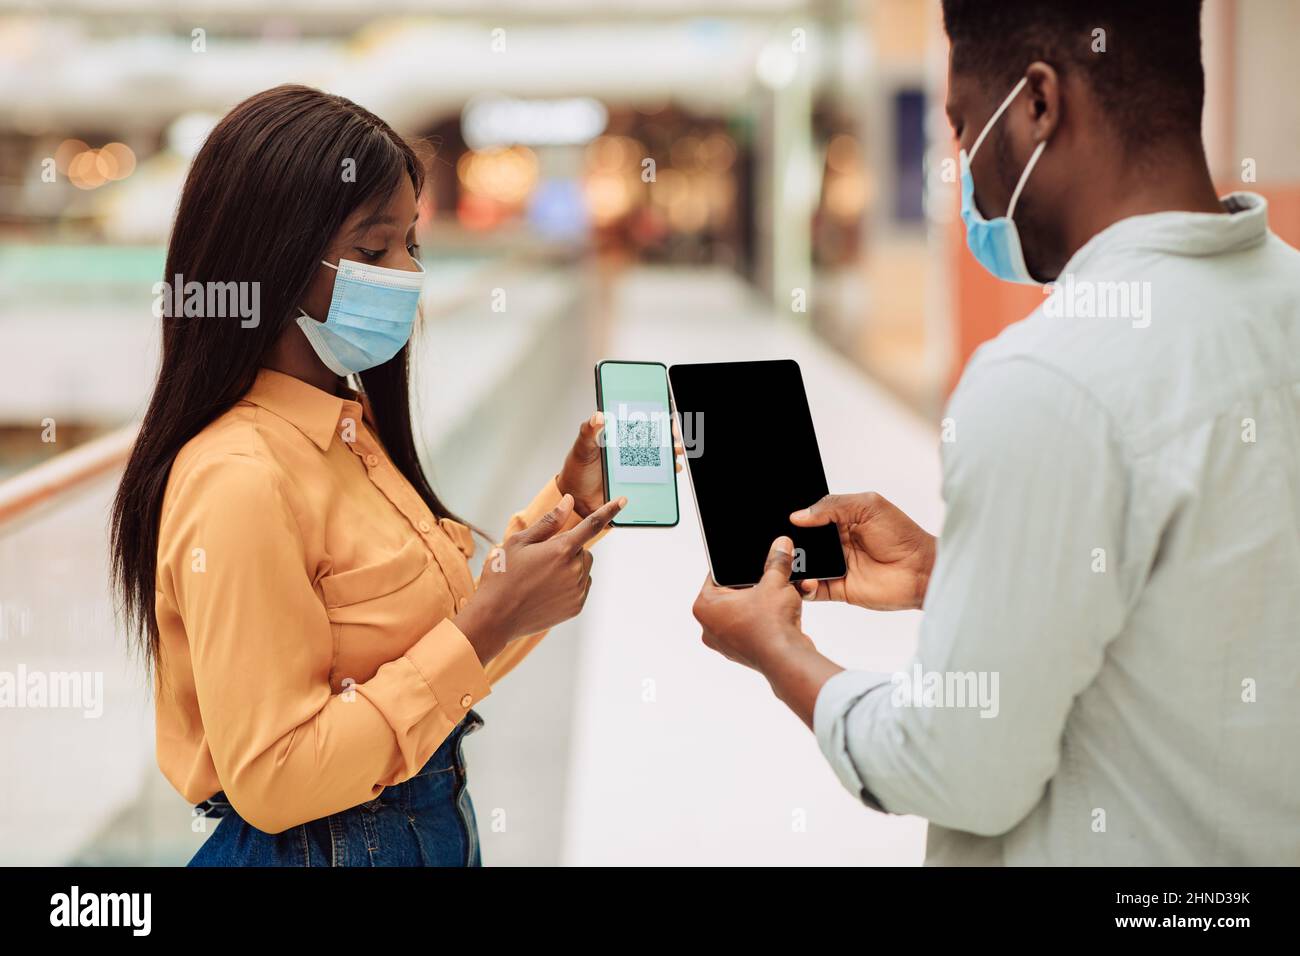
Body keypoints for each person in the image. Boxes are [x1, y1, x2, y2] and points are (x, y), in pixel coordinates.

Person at [692, 0, 1300, 865]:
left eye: (965, 123)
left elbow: (954, 766)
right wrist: (954, 576)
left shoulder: (1049, 380)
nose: (965, 168)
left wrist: (777, 648)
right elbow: (1208, 607)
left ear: (1039, 104)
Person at [108, 85, 670, 866]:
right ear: (269, 259)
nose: (406, 274)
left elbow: (441, 666)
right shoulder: (239, 478)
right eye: (374, 250)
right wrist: (488, 623)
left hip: (422, 826)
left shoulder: (349, 431)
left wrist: (568, 505)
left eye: (412, 244)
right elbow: (275, 779)